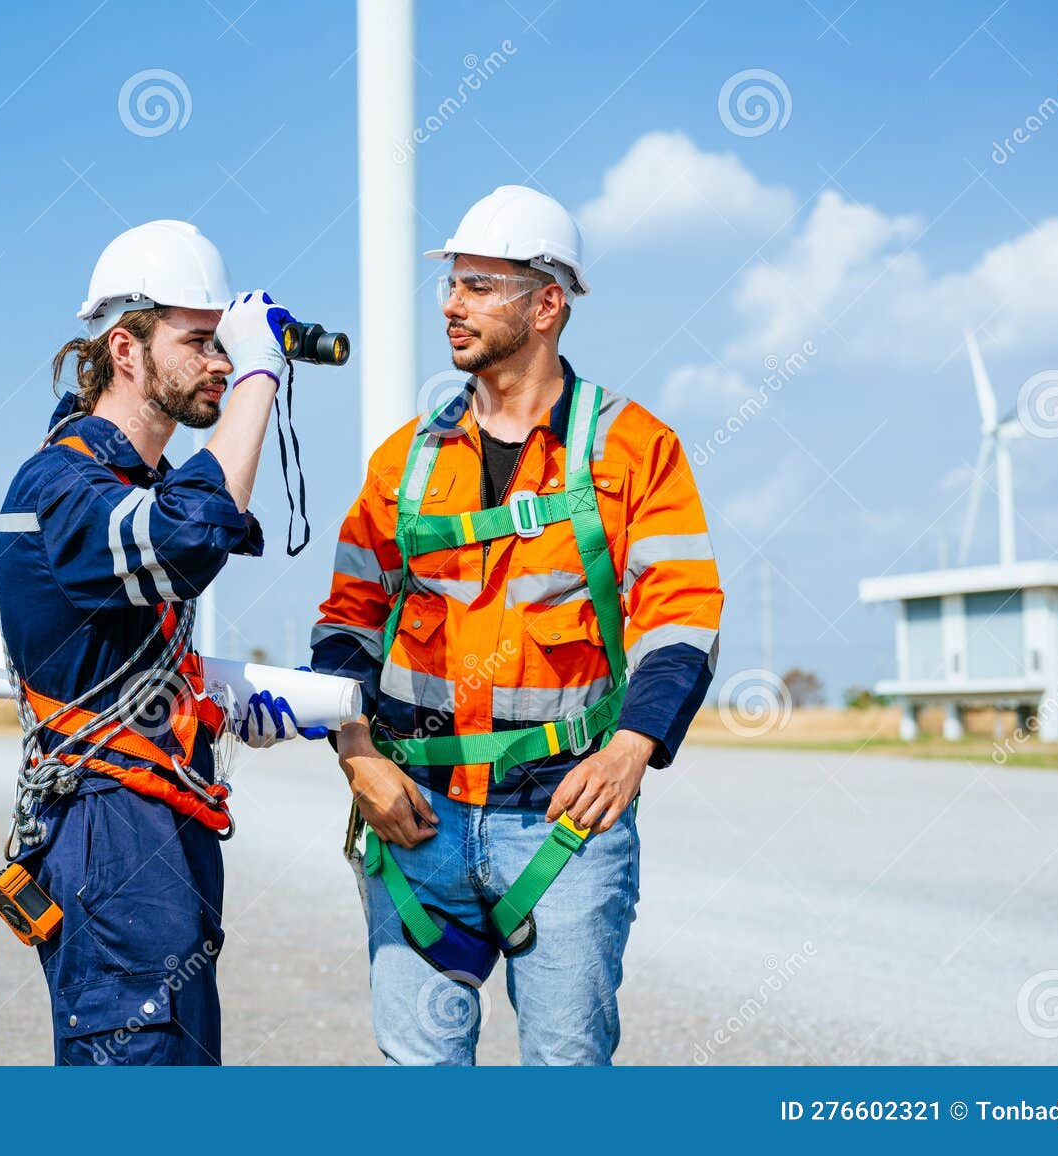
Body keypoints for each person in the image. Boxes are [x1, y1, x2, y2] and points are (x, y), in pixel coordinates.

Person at [312, 185, 724, 1065]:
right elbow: (344, 628)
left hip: (563, 827)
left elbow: (682, 615)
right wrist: (358, 759)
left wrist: (632, 748)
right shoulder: (406, 463)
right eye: (451, 284)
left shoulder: (633, 449)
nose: (452, 305)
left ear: (547, 304)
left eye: (479, 285)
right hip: (413, 821)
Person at [0, 219, 298, 1065]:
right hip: (109, 830)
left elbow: (138, 627)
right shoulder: (61, 482)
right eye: (201, 342)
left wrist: (225, 705)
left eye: (227, 346)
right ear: (124, 349)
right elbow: (191, 538)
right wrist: (263, 378)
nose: (222, 364)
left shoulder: (138, 484)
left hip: (159, 820)